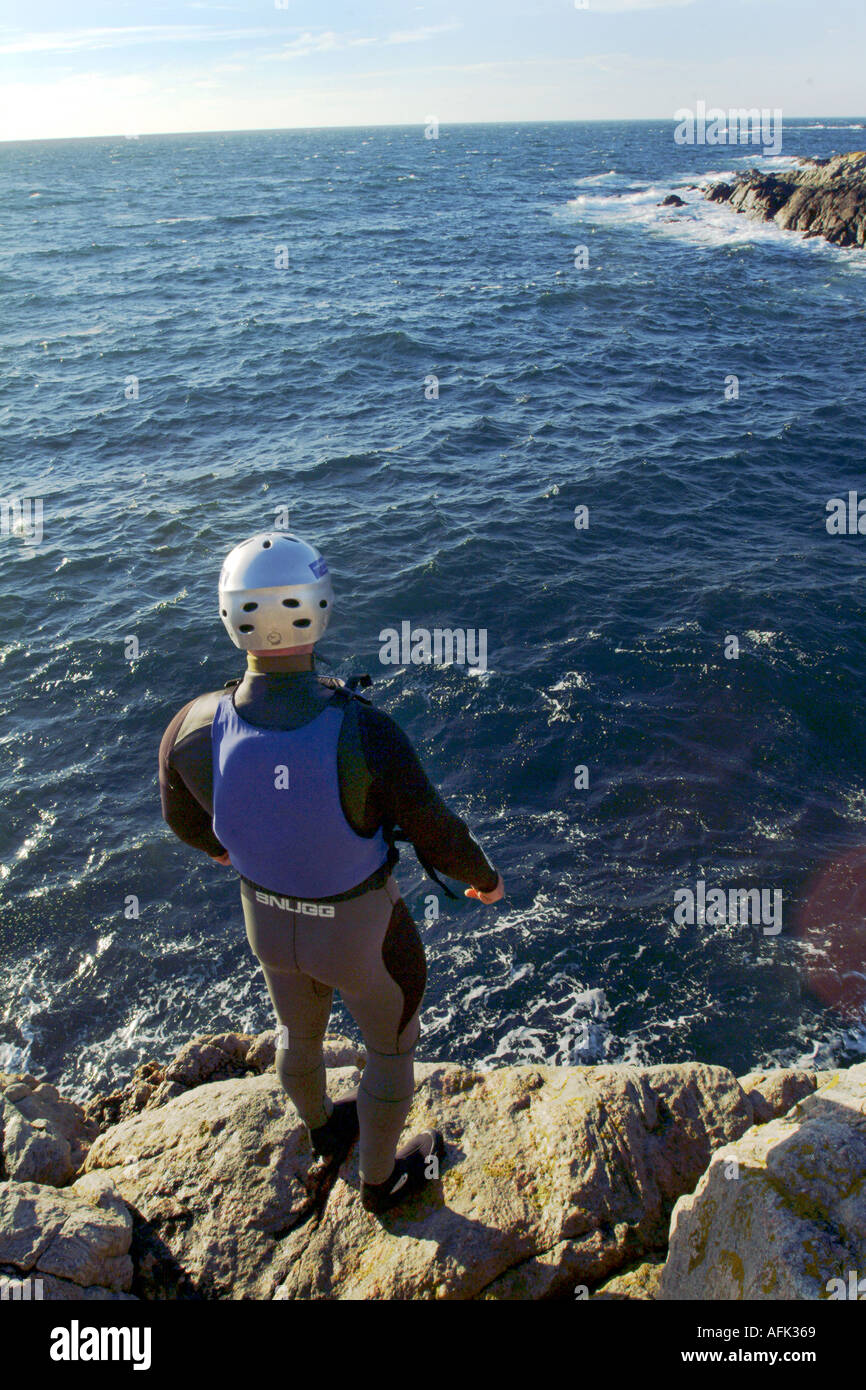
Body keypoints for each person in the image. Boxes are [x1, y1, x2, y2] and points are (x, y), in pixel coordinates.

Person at [158, 531, 504, 1214]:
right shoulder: (364, 731)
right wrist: (484, 880)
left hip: (269, 927)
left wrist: (230, 852)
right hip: (362, 938)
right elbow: (435, 830)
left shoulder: (191, 728)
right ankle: (381, 1183)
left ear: (231, 617)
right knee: (390, 1050)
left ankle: (323, 1131)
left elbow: (185, 822)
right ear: (319, 606)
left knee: (296, 1032)